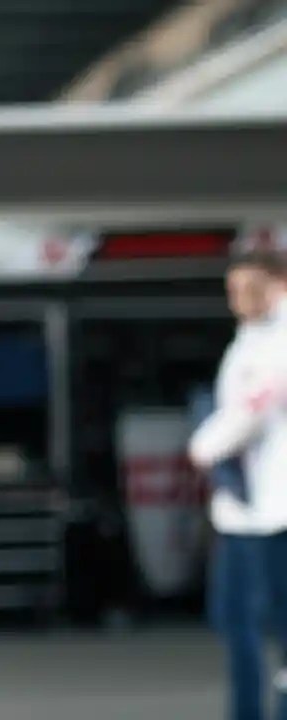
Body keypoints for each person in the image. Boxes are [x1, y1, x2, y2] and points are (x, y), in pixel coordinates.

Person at [190, 251, 287, 720]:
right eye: (233, 290)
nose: (238, 299)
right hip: (244, 511)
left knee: (276, 628)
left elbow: (252, 408)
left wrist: (202, 446)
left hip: (276, 514)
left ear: (280, 285)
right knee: (235, 622)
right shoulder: (248, 339)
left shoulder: (279, 340)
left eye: (250, 287)